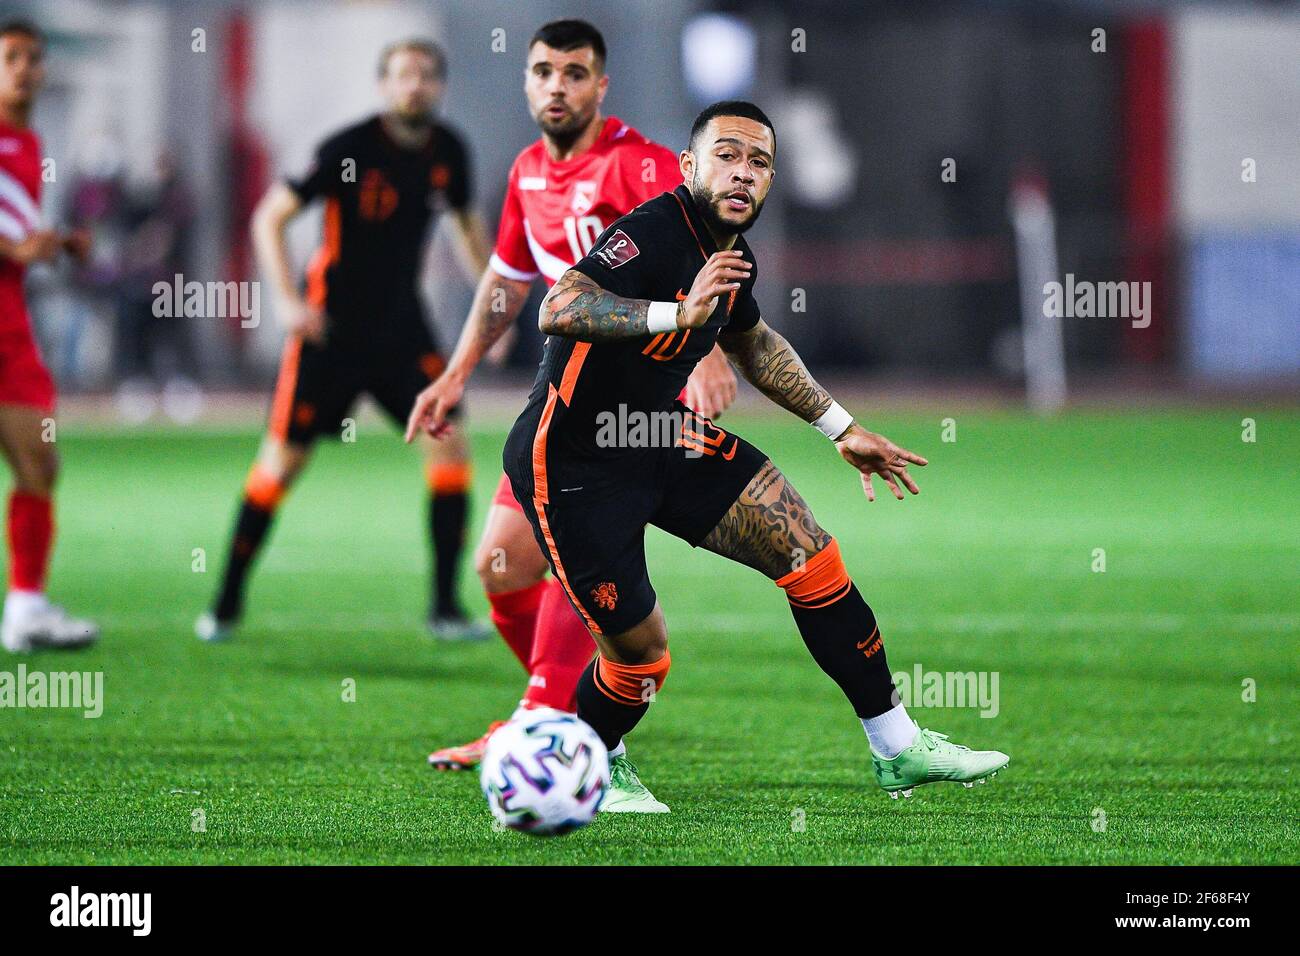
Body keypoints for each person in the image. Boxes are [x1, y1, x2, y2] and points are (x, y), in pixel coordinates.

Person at [503, 100, 1009, 799]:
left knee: (807, 551)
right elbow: (558, 305)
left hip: (657, 434)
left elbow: (754, 344)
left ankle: (898, 747)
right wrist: (673, 314)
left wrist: (841, 427)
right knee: (642, 659)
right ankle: (589, 762)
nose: (744, 173)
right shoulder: (652, 233)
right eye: (728, 155)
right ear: (689, 167)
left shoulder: (733, 254)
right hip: (570, 461)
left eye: (760, 162)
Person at [405, 20, 736, 812]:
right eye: (544, 72)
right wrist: (453, 373)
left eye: (575, 73)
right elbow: (506, 283)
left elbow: (709, 244)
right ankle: (559, 717)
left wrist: (711, 348)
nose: (558, 86)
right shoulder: (526, 173)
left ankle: (561, 728)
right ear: (526, 82)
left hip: (631, 412)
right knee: (499, 568)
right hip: (561, 401)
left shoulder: (641, 164)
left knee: (564, 562)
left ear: (600, 87)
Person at [197, 38, 492, 641]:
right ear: (384, 86)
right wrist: (285, 300)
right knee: (281, 464)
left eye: (427, 75)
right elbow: (268, 217)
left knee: (451, 447)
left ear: (439, 86)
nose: (415, 85)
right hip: (331, 332)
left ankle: (444, 609)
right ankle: (224, 603)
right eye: (403, 75)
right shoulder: (348, 149)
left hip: (404, 330)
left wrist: (494, 304)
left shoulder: (450, 151)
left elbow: (466, 226)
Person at [0, 20, 98, 653]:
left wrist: (52, 244)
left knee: (41, 460)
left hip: (10, 327)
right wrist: (18, 248)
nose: (25, 69)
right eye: (10, 57)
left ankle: (26, 610)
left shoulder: (29, 143)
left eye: (34, 58)